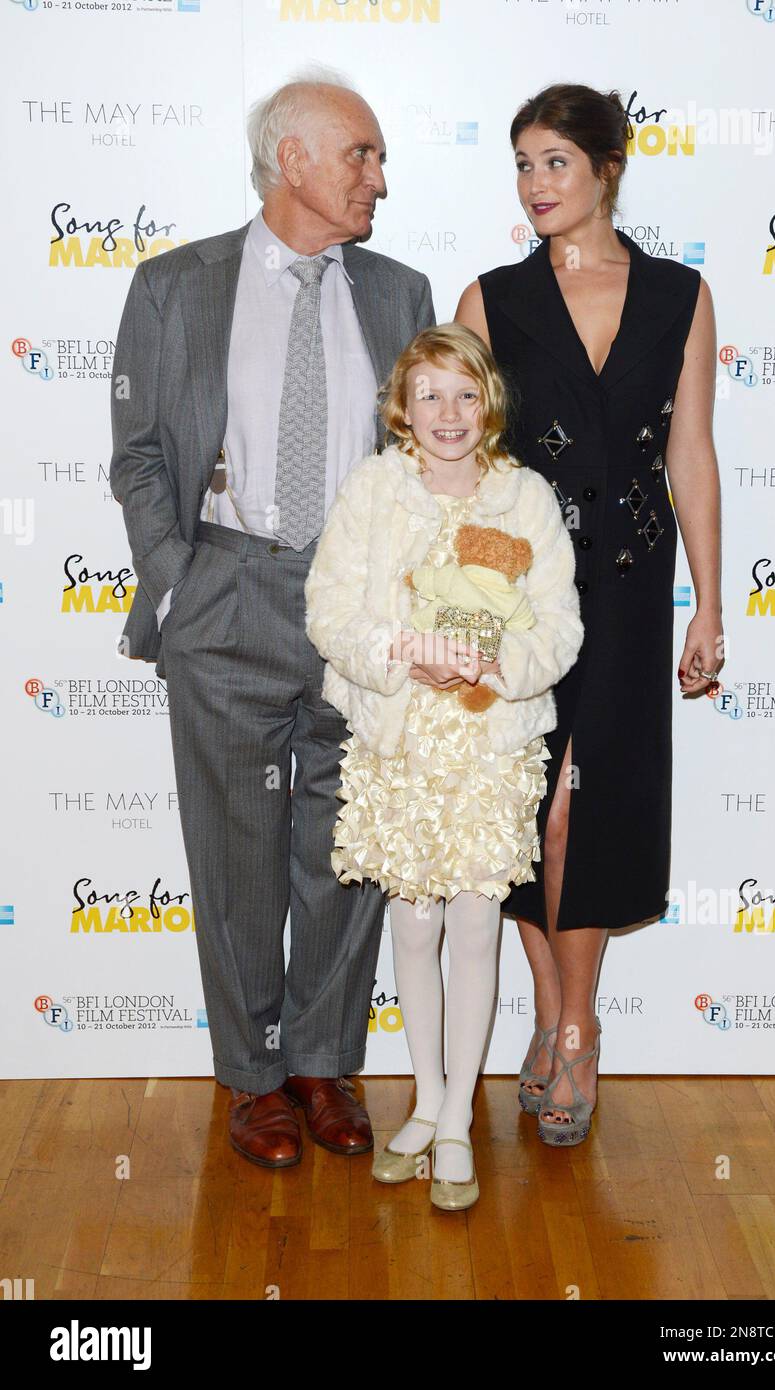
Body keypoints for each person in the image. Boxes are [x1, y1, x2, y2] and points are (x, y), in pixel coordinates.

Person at [109, 66, 436, 1168]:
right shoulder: (175, 285)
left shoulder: (398, 291)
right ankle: (252, 1078)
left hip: (357, 605)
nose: (378, 180)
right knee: (238, 849)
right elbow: (142, 454)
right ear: (289, 157)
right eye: (362, 155)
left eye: (379, 158)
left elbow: (425, 464)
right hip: (226, 593)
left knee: (346, 849)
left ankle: (321, 1063)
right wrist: (177, 581)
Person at [455, 83, 723, 1146]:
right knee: (528, 813)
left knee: (588, 812)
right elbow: (461, 465)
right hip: (514, 590)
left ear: (607, 167)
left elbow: (688, 454)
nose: (533, 186)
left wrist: (708, 601)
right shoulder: (490, 299)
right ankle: (562, 1020)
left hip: (622, 583)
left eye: (554, 162)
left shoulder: (677, 296)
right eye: (521, 164)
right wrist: (463, 614)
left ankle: (573, 1026)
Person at [303, 323, 584, 1208]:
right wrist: (399, 653)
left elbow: (560, 627)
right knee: (413, 928)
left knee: (472, 925)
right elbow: (328, 609)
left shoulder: (525, 496)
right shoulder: (372, 489)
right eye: (429, 395)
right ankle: (423, 1102)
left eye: (465, 394)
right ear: (403, 406)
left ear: (488, 402)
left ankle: (459, 1116)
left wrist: (495, 666)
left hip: (490, 744)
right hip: (400, 741)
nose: (448, 413)